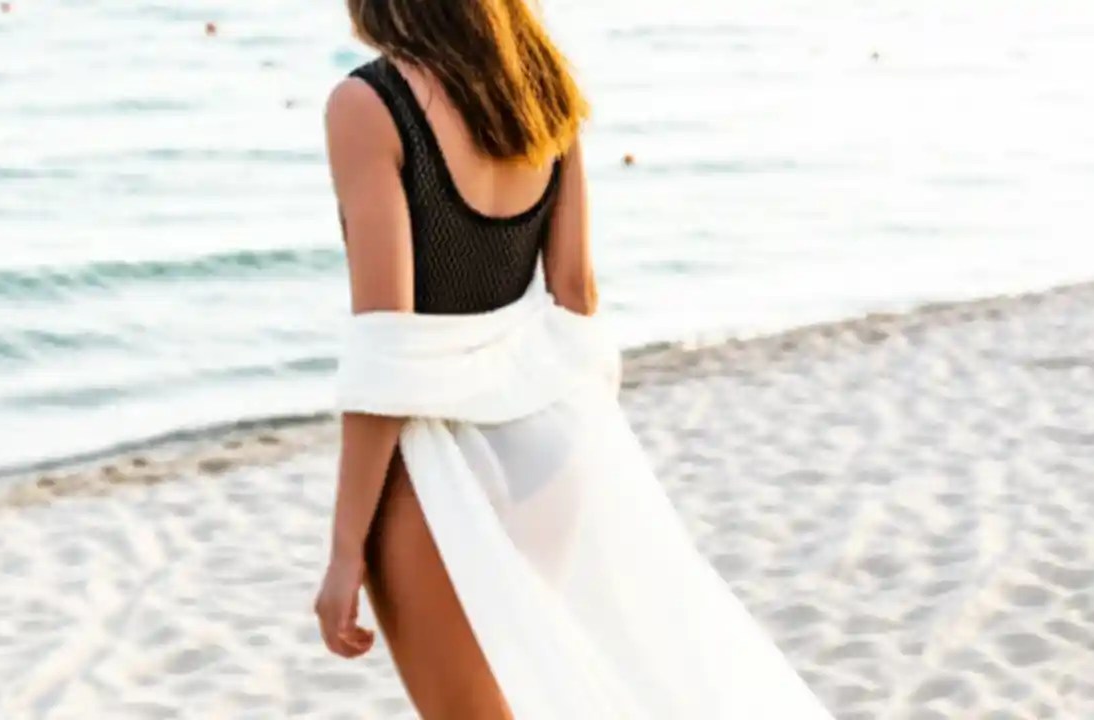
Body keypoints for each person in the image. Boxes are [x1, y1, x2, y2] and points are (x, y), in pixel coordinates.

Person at [314, 2, 836, 718]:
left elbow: (388, 344)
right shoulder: (541, 85)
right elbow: (575, 291)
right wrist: (582, 430)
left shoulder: (367, 105)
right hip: (547, 452)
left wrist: (346, 547)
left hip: (432, 461)